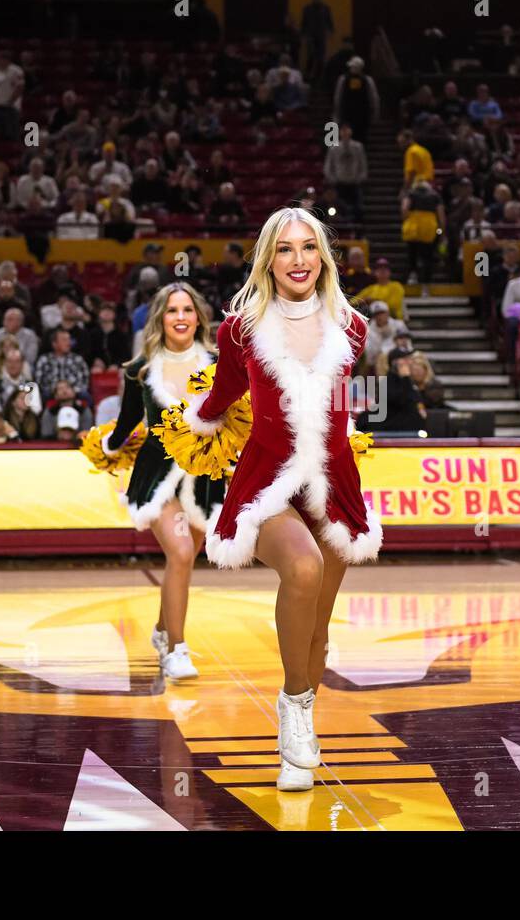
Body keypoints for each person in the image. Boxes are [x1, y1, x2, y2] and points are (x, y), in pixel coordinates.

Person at [179, 207, 382, 792]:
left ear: (324, 258)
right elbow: (223, 394)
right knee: (301, 567)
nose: (299, 260)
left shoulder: (353, 324)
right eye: (286, 249)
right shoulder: (239, 328)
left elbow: (333, 408)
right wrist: (194, 424)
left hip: (335, 483)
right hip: (267, 479)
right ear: (269, 257)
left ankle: (304, 709)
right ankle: (293, 711)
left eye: (309, 248)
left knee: (317, 628)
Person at [100, 282, 227, 681]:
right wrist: (106, 446)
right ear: (160, 318)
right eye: (172, 310)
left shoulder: (217, 364)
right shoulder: (139, 370)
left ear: (198, 317)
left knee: (183, 561)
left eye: (187, 310)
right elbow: (126, 422)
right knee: (183, 552)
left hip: (205, 478)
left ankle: (161, 630)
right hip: (158, 477)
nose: (181, 317)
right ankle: (176, 650)